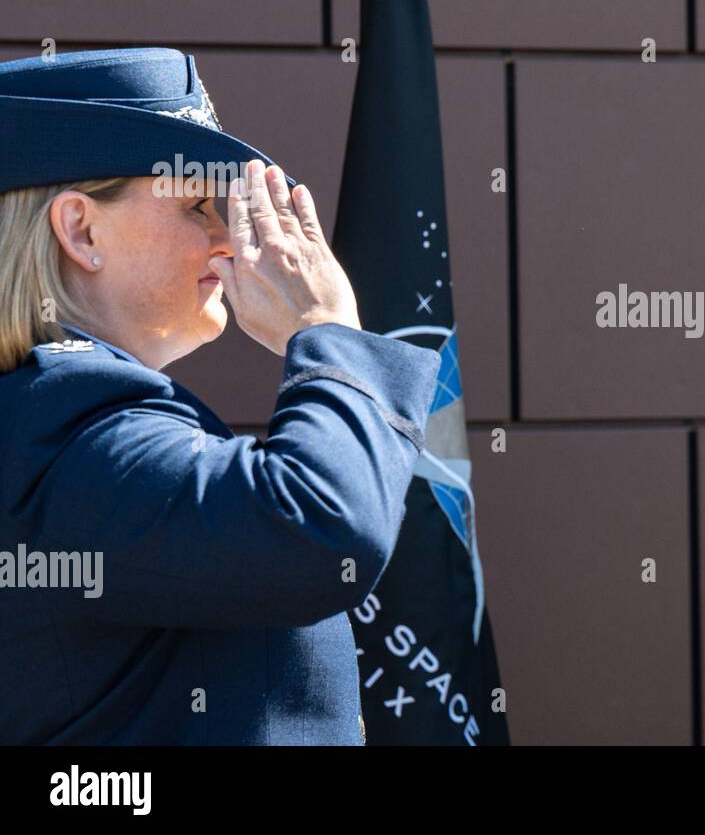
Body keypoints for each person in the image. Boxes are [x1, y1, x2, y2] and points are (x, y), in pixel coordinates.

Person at [0, 48, 440, 744]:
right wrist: (326, 334)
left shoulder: (55, 414)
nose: (230, 240)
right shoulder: (65, 427)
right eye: (201, 203)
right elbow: (321, 528)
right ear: (81, 230)